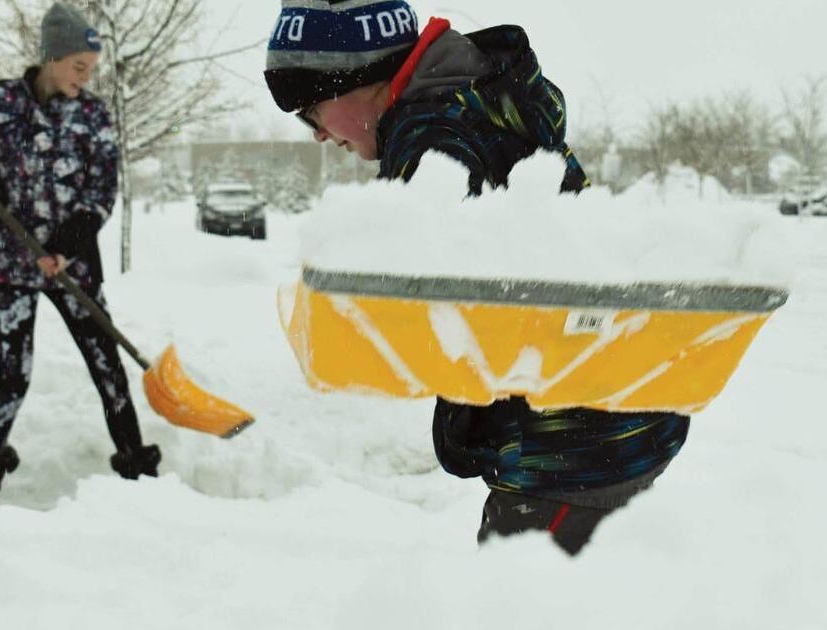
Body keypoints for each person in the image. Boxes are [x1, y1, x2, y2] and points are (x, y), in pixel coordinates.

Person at [264, 0, 690, 555]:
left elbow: (443, 294)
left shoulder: (431, 133)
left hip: (565, 446)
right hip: (616, 414)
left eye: (309, 107)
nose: (317, 133)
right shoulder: (479, 98)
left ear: (357, 75)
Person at [0, 2, 160, 511]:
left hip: (72, 265)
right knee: (14, 375)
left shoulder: (94, 116)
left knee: (106, 366)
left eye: (91, 70)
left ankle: (138, 468)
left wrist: (66, 247)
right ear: (51, 58)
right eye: (78, 66)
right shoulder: (2, 101)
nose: (85, 77)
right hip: (12, 264)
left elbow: (101, 191)